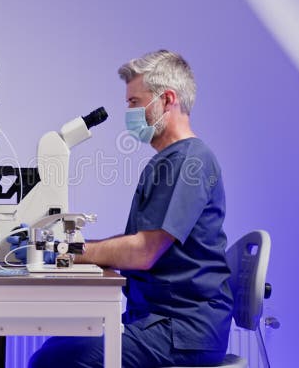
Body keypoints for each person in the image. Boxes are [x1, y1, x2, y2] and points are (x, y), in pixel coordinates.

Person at [28, 50, 234, 368]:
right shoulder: (170, 161)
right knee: (57, 347)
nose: (129, 112)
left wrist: (72, 251)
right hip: (158, 320)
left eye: (134, 102)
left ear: (167, 100)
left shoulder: (190, 161)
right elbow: (141, 245)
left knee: (55, 361)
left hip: (182, 331)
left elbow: (143, 252)